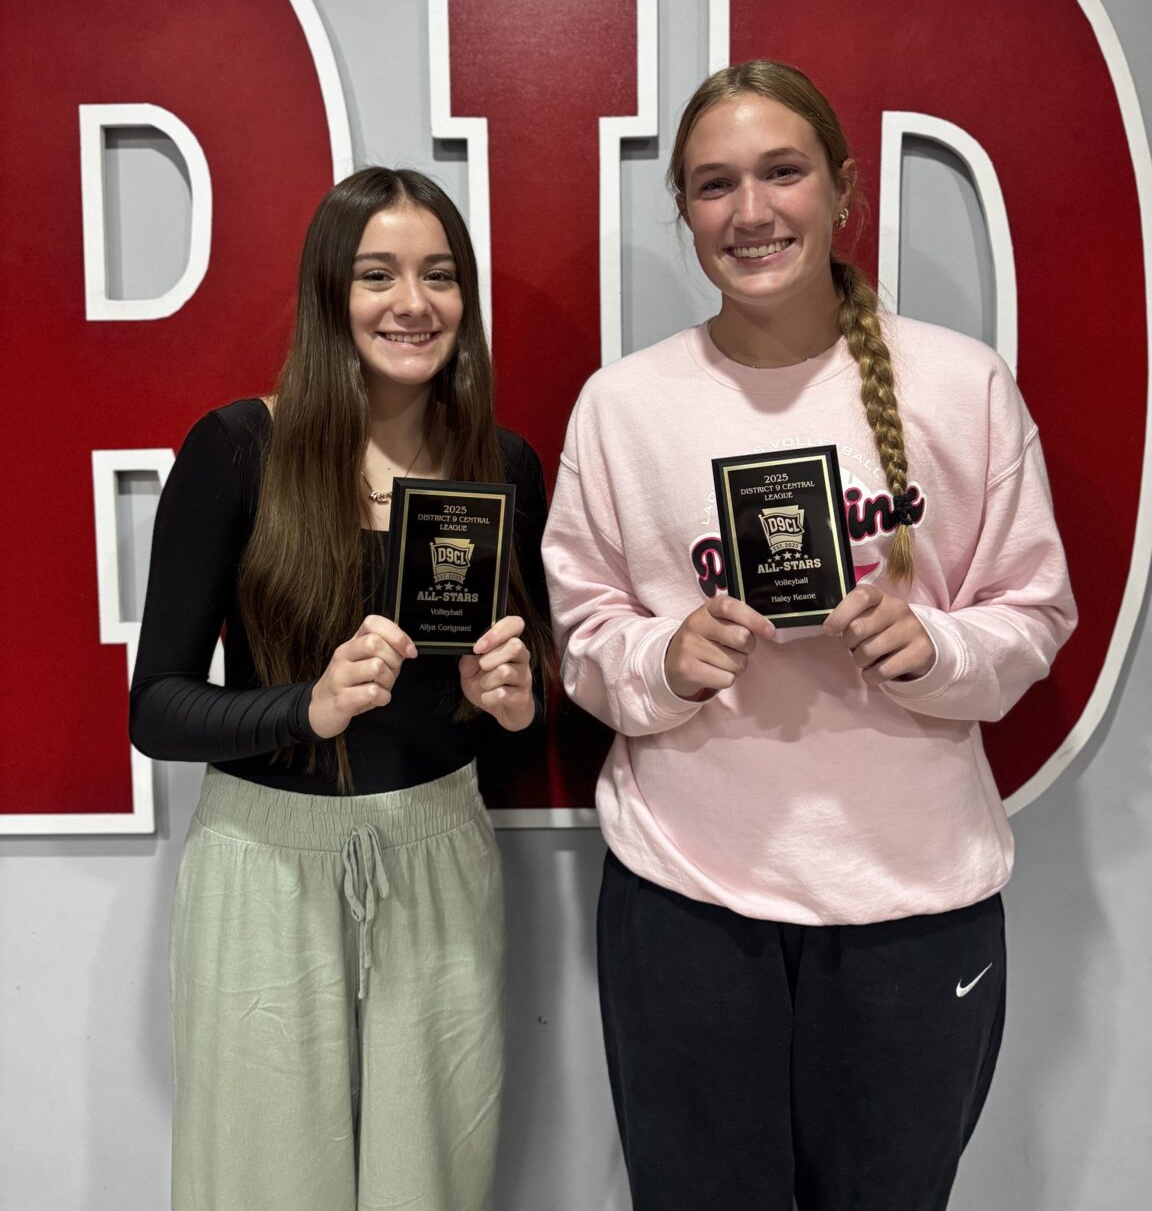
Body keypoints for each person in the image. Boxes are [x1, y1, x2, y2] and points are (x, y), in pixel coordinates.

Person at [542, 60, 1076, 1211]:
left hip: (913, 909)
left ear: (843, 192)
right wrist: (661, 660)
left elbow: (1035, 612)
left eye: (781, 172)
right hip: (685, 905)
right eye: (712, 185)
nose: (750, 211)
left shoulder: (963, 386)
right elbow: (581, 633)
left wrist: (936, 648)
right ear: (682, 212)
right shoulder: (624, 407)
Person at [130, 167, 551, 1211]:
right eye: (378, 274)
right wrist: (303, 709)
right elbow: (157, 707)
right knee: (266, 1185)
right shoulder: (238, 450)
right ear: (331, 292)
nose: (413, 303)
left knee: (432, 1185)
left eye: (440, 275)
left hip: (439, 856)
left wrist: (515, 702)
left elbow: (515, 728)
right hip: (264, 863)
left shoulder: (501, 465)